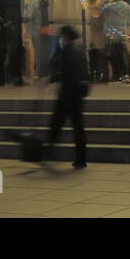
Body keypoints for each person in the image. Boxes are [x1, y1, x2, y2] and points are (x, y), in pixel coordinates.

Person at [45, 25, 91, 169]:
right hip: (77, 94)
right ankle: (81, 158)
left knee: (56, 124)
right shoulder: (80, 50)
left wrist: (52, 79)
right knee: (78, 127)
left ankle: (45, 153)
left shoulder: (68, 51)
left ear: (65, 37)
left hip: (67, 94)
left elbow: (65, 70)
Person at [100, 0, 130, 82]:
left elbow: (99, 10)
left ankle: (116, 76)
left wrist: (106, 0)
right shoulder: (126, 6)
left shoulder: (108, 7)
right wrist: (129, 33)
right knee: (122, 54)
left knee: (112, 56)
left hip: (110, 35)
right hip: (122, 34)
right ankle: (125, 74)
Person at [85, 0, 106, 82]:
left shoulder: (85, 5)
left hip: (90, 35)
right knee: (99, 57)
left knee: (91, 56)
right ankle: (98, 76)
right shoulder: (99, 5)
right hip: (99, 36)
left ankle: (92, 75)